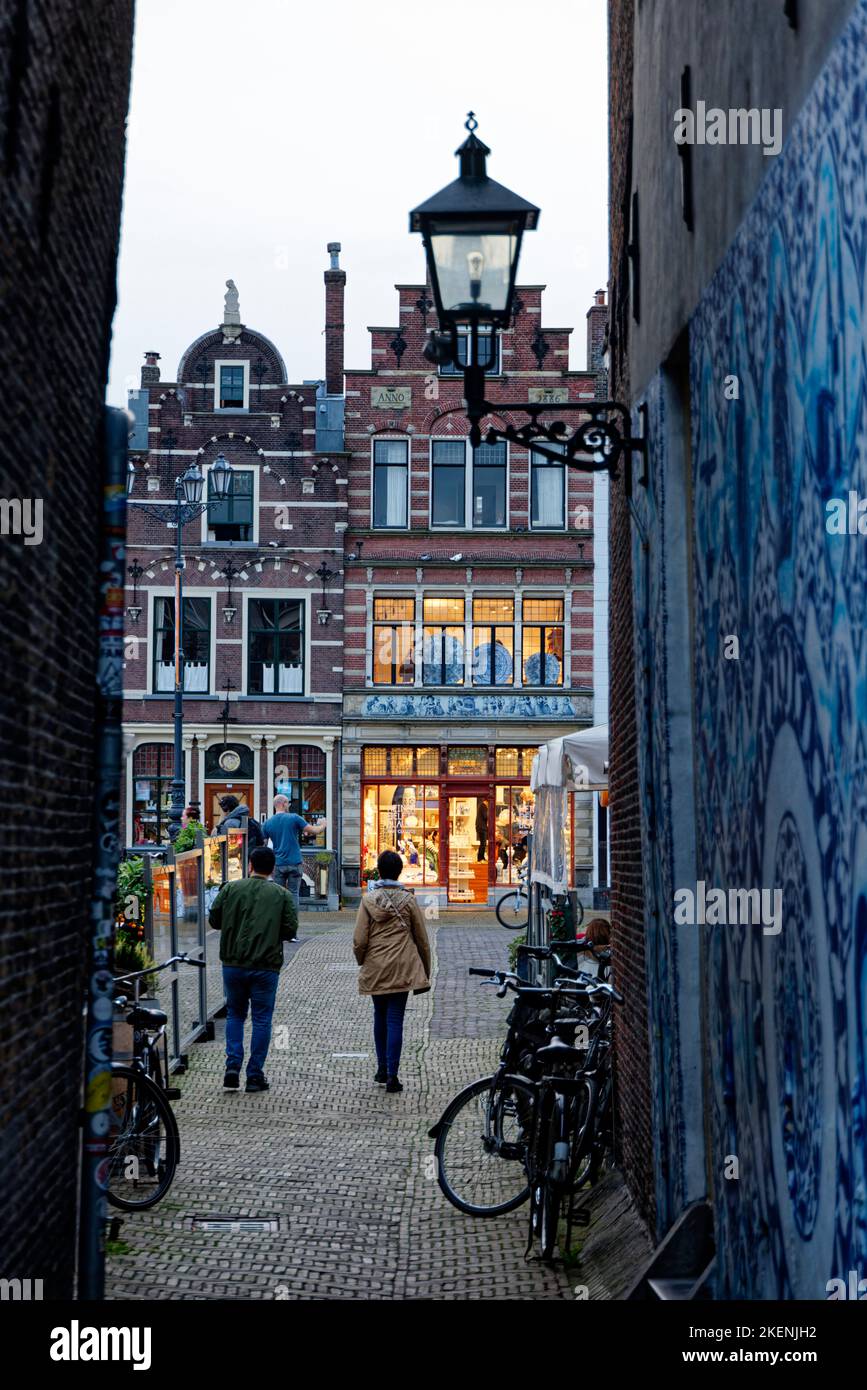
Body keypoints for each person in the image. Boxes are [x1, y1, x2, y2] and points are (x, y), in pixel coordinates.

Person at [208, 845, 297, 1093]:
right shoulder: (282, 895)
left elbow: (214, 920)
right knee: (261, 1019)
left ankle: (232, 1067)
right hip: (266, 966)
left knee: (235, 1014)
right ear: (273, 869)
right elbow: (290, 930)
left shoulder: (231, 889)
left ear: (249, 865)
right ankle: (255, 1074)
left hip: (234, 964)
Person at [352, 850, 431, 1095]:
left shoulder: (368, 900)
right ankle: (393, 1076)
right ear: (399, 871)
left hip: (376, 965)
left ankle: (381, 1068)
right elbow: (422, 939)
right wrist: (424, 971)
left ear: (378, 870)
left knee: (379, 1015)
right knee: (395, 1019)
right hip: (402, 965)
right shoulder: (408, 900)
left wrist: (362, 960)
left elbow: (359, 939)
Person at [261, 794, 325, 907]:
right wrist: (323, 825)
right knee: (294, 893)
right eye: (288, 803)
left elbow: (264, 846)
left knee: (278, 894)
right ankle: (293, 921)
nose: (289, 805)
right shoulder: (294, 818)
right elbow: (314, 831)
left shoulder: (267, 823)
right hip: (294, 862)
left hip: (278, 863)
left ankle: (278, 920)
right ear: (283, 804)